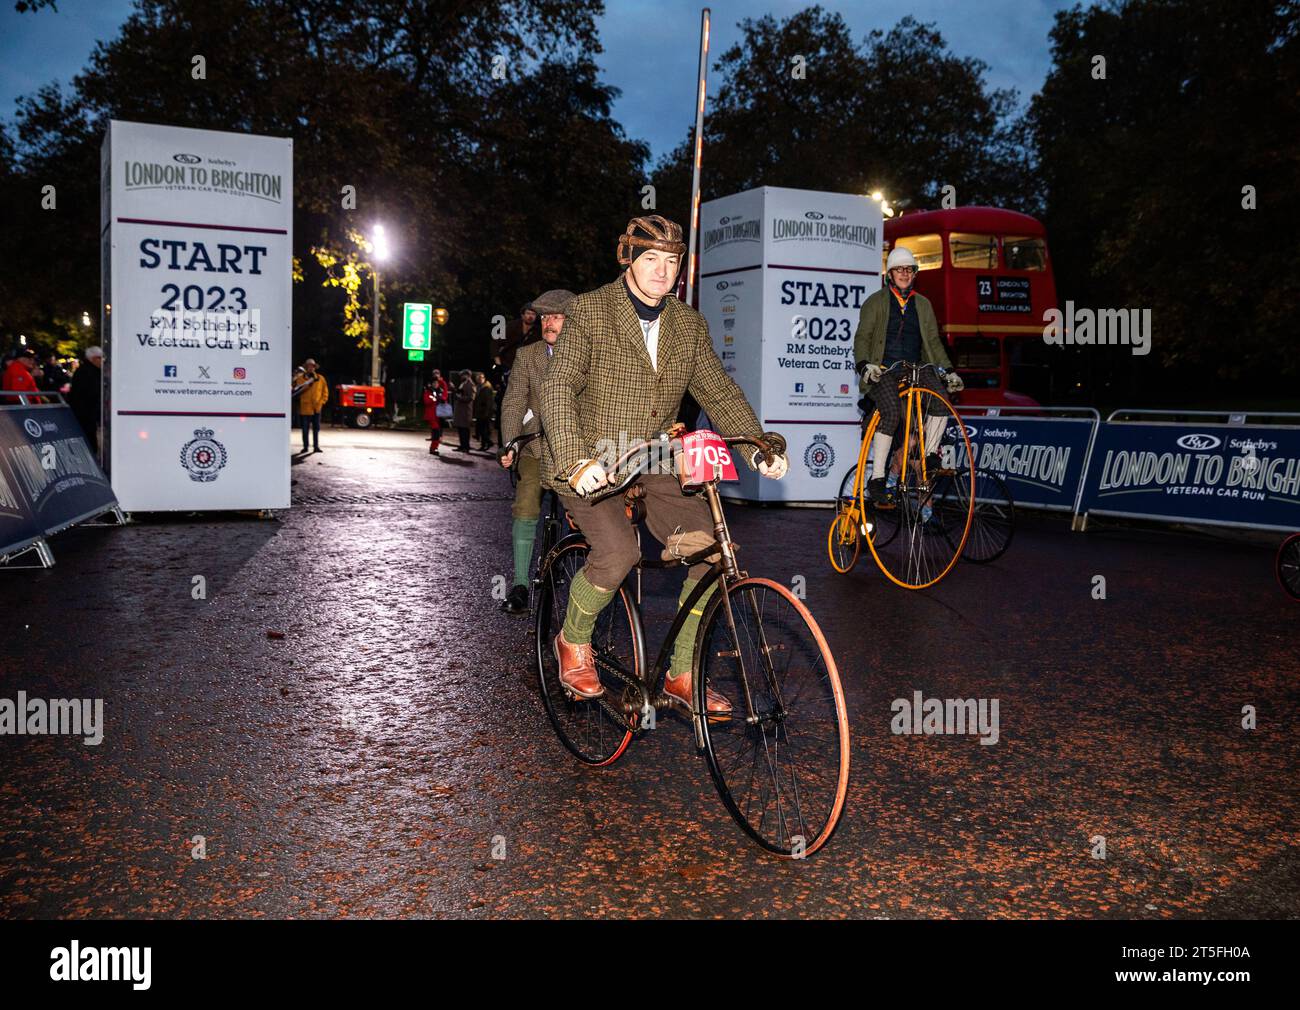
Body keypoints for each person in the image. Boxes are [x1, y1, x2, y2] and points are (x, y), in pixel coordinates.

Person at [540, 215, 788, 715]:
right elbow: (557, 387)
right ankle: (573, 640)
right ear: (628, 258)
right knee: (618, 554)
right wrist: (575, 458)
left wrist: (758, 445)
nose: (662, 271)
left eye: (672, 261)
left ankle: (681, 672)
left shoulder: (686, 323)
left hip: (653, 457)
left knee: (711, 550)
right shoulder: (589, 312)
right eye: (651, 258)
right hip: (593, 457)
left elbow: (718, 391)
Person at [853, 246, 964, 505]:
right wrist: (865, 365)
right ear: (889, 274)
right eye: (899, 270)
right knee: (891, 412)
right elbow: (862, 337)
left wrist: (948, 371)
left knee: (940, 401)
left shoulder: (923, 304)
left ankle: (927, 455)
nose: (904, 273)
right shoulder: (875, 302)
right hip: (884, 370)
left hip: (916, 367)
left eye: (909, 270)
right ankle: (878, 478)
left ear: (914, 274)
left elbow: (934, 343)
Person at [498, 288, 574, 614]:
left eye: (556, 317)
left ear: (571, 321)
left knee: (587, 507)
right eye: (544, 317)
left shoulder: (586, 357)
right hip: (535, 448)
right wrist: (511, 443)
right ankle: (519, 583)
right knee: (527, 500)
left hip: (573, 451)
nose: (548, 323)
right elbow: (514, 401)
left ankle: (584, 576)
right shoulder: (527, 356)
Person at [67, 345, 103, 453]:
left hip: (85, 412)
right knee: (88, 438)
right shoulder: (88, 372)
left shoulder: (87, 370)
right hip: (85, 412)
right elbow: (92, 393)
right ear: (93, 358)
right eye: (100, 358)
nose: (102, 361)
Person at [293, 358, 329, 453]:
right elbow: (296, 390)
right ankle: (305, 447)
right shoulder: (301, 379)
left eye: (312, 366)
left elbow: (325, 392)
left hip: (317, 408)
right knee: (305, 429)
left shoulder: (320, 379)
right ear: (306, 367)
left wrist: (322, 402)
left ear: (314, 367)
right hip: (305, 408)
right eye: (308, 366)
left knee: (316, 429)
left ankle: (316, 446)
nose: (310, 368)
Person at [452, 370, 475, 451]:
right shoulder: (463, 383)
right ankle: (462, 445)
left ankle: (466, 446)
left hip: (465, 410)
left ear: (467, 375)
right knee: (461, 429)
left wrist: (459, 398)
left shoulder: (470, 384)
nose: (461, 377)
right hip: (461, 410)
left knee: (465, 429)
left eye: (463, 375)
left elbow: (471, 397)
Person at [473, 371, 495, 450]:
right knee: (481, 429)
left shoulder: (487, 388)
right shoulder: (479, 387)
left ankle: (487, 443)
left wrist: (486, 413)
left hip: (485, 412)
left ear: (484, 378)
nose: (479, 379)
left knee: (484, 429)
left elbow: (489, 402)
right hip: (480, 412)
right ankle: (486, 444)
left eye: (480, 378)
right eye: (478, 378)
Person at [421, 381, 443, 455]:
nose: (436, 385)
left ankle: (434, 448)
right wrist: (434, 399)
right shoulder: (428, 392)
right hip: (431, 415)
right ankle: (433, 448)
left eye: (437, 383)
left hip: (438, 415)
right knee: (436, 431)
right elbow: (426, 401)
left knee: (437, 432)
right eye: (434, 383)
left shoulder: (439, 392)